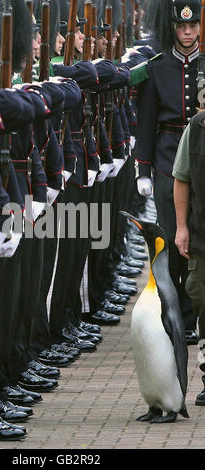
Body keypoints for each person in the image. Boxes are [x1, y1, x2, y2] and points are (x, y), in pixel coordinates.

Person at [135, 0, 201, 343]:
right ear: (172, 27)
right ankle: (170, 310)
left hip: (200, 163)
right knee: (170, 241)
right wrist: (143, 169)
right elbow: (146, 123)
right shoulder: (157, 67)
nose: (187, 32)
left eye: (192, 26)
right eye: (181, 26)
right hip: (166, 160)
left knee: (196, 239)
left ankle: (191, 316)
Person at [173, 108, 205, 405]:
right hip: (202, 232)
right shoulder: (197, 127)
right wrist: (181, 226)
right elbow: (182, 177)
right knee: (202, 298)